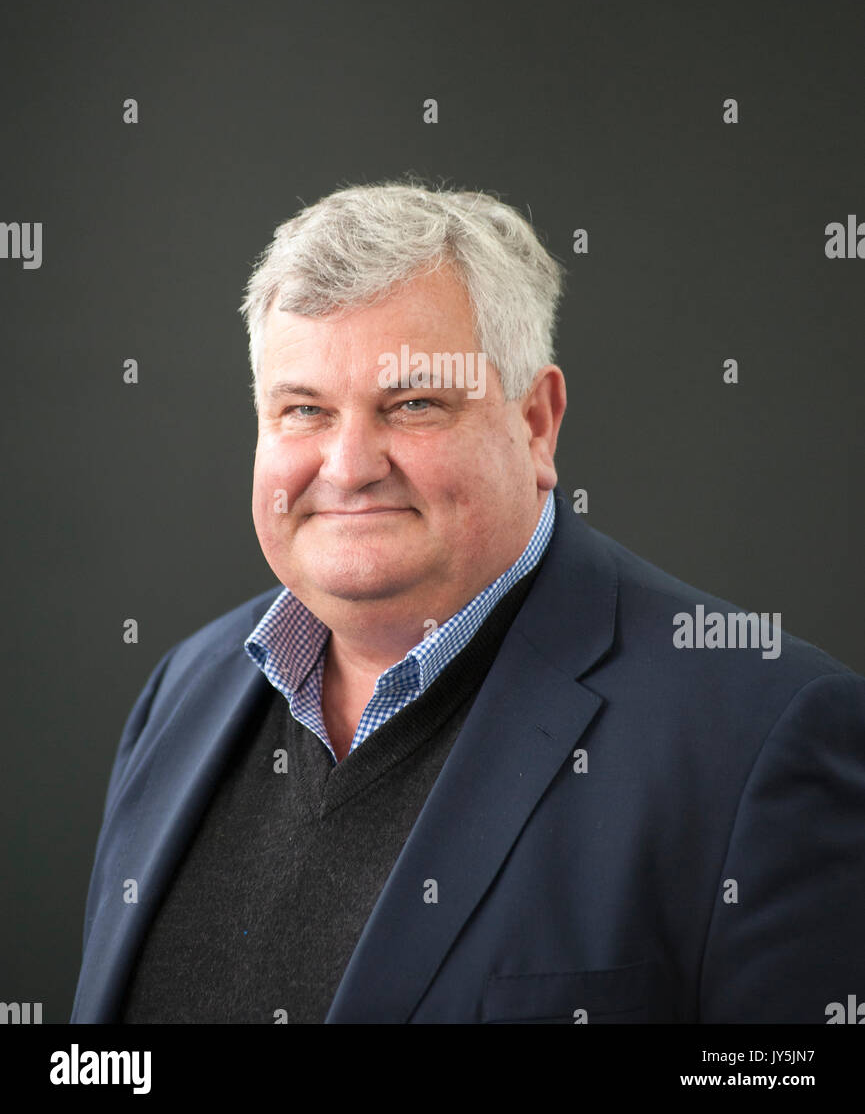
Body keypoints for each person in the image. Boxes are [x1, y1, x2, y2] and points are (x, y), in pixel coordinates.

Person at [71, 179, 865, 1024]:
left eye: (413, 404)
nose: (347, 467)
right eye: (303, 409)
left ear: (535, 424)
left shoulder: (762, 733)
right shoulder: (180, 694)